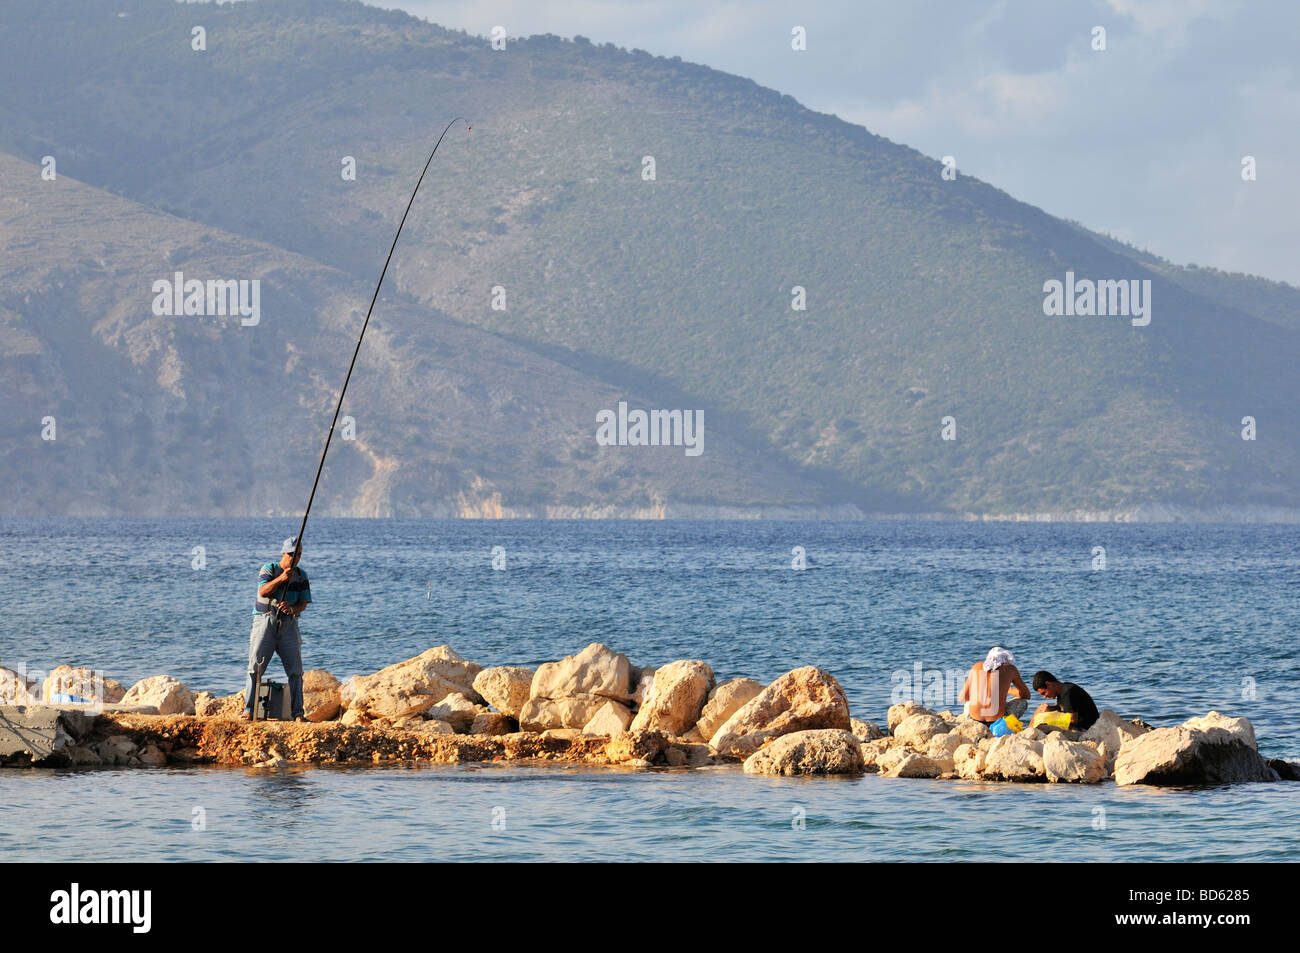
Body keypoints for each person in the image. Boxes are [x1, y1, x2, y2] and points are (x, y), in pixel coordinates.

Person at [242, 536, 311, 722]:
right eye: (291, 554)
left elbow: (303, 602)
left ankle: (298, 714)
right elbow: (263, 591)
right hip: (265, 621)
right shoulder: (269, 569)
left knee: (295, 670)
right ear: (283, 553)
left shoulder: (302, 575)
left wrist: (292, 610)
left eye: (298, 555)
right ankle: (248, 711)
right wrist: (281, 578)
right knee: (255, 668)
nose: (295, 559)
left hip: (289, 625)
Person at [959, 646, 1031, 724]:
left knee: (968, 703)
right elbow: (1026, 695)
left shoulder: (976, 666)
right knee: (1023, 702)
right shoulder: (1010, 669)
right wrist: (1005, 690)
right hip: (996, 723)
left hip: (974, 721)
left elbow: (963, 697)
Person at [1032, 671, 1100, 731]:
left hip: (1087, 728)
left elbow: (1073, 720)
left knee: (1043, 724)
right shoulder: (1063, 689)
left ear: (1048, 684)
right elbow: (1063, 708)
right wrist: (1050, 708)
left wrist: (1050, 721)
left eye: (1044, 693)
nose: (1045, 697)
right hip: (1083, 726)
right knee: (1039, 711)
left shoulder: (1068, 692)